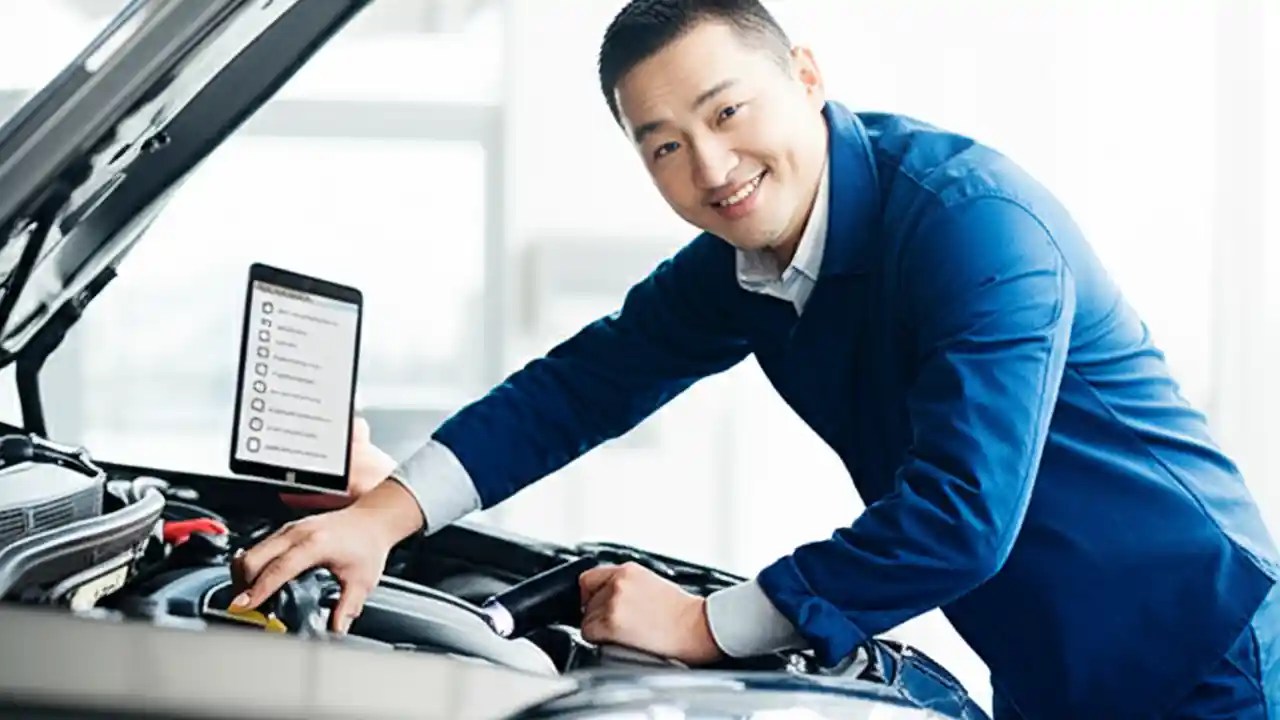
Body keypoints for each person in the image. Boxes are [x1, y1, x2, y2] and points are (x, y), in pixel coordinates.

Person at [231, 1, 1280, 717]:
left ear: (806, 77)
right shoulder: (741, 264)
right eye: (663, 145)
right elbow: (579, 387)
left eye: (727, 111)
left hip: (1201, 647)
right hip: (1045, 659)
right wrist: (384, 515)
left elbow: (959, 516)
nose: (712, 166)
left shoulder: (974, 224)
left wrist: (705, 625)